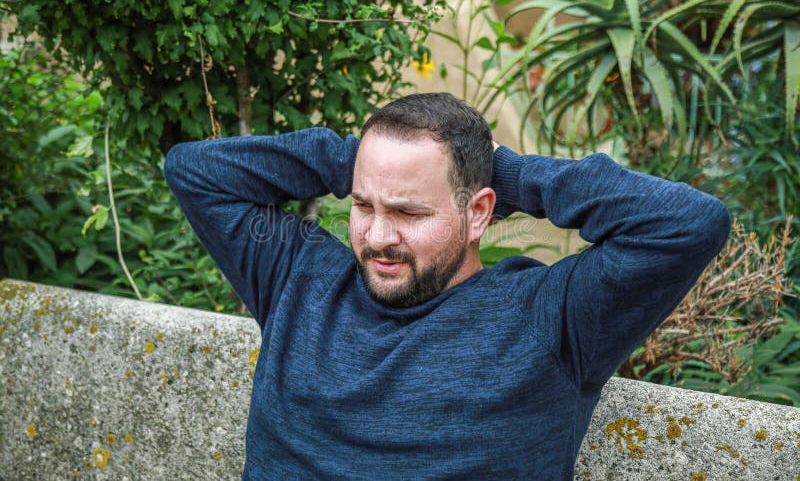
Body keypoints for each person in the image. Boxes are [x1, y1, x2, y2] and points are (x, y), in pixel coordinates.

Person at [163, 92, 731, 479]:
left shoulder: (551, 321)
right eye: (363, 205)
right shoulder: (297, 278)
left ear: (480, 213)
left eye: (410, 212)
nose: (377, 237)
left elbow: (687, 222)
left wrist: (489, 170)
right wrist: (357, 158)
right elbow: (195, 171)